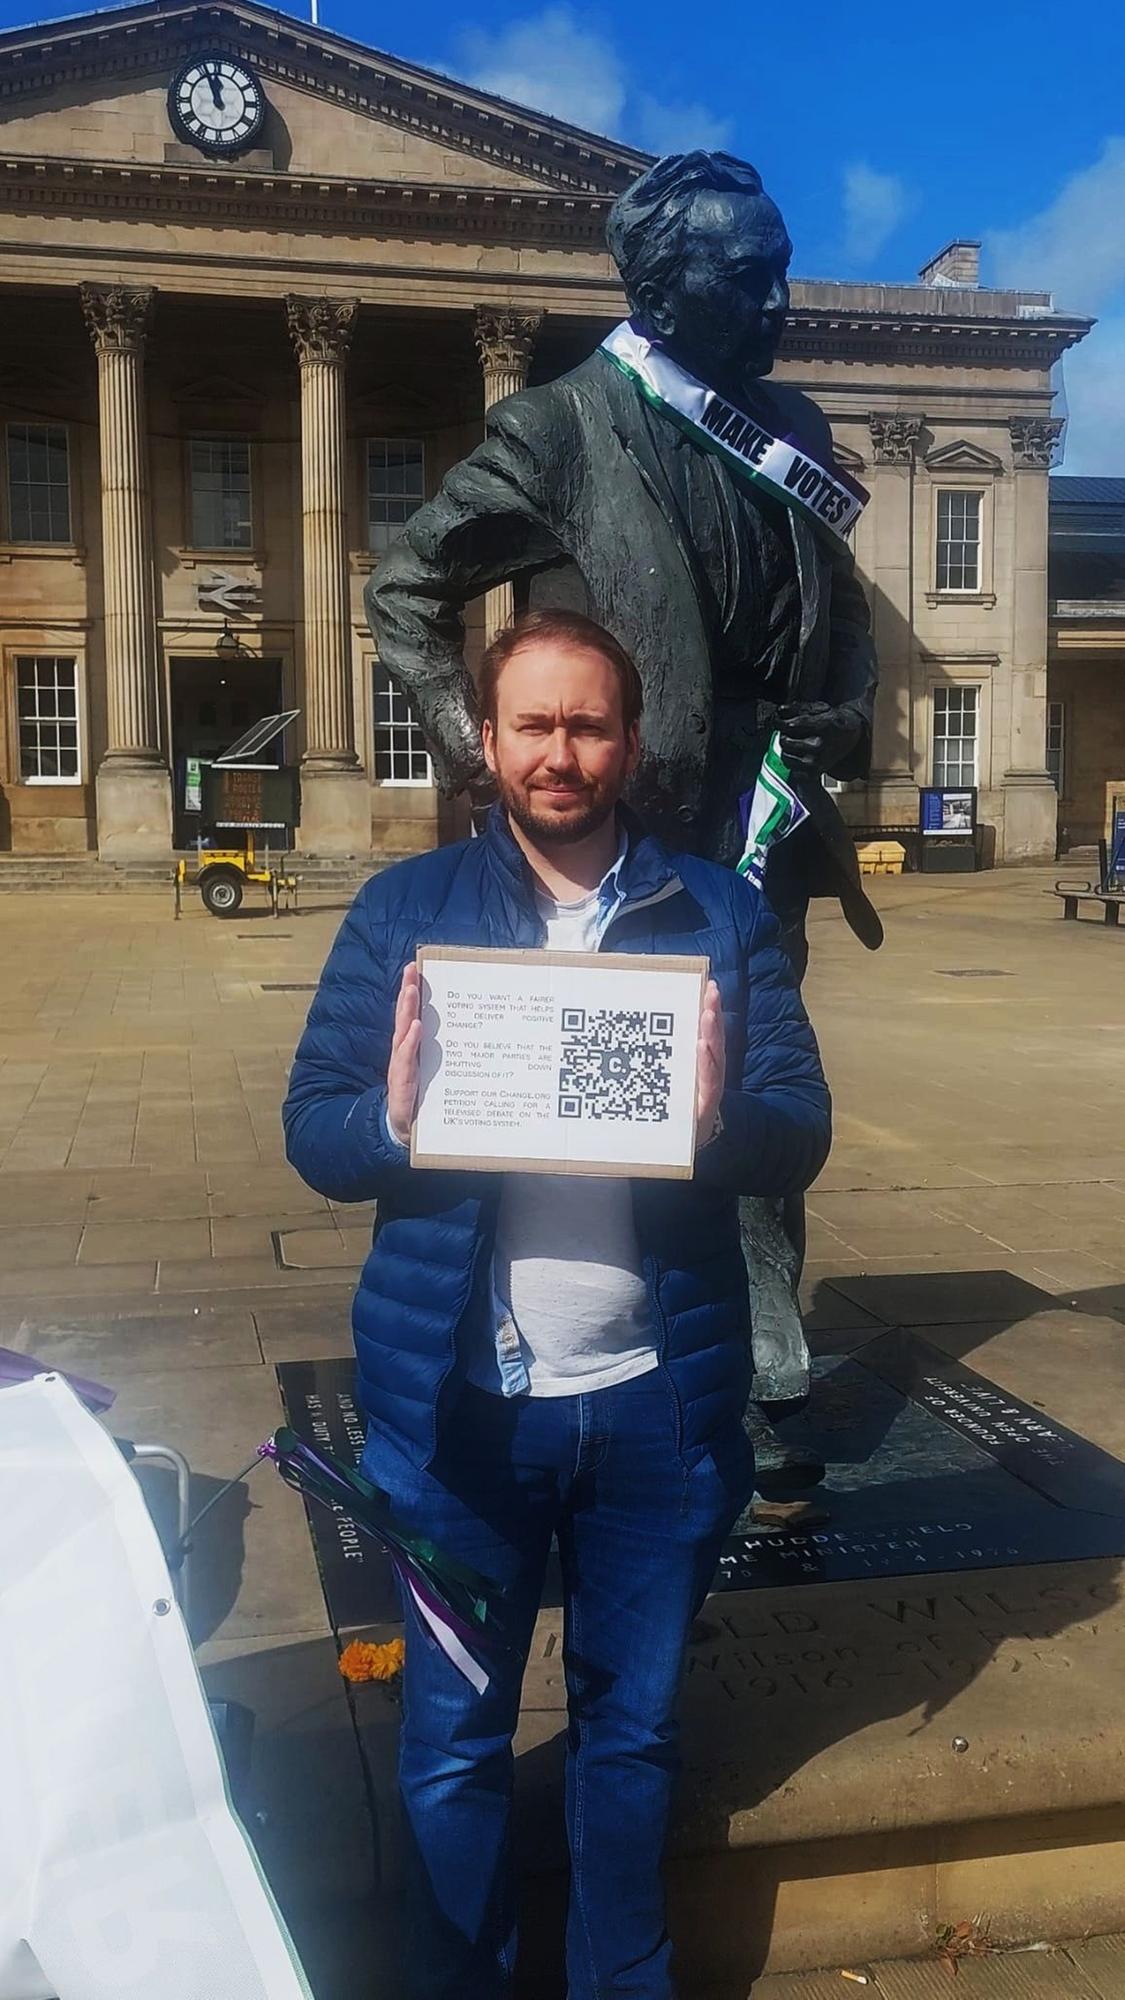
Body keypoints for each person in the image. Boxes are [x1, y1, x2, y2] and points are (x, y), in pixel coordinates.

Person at [283, 610, 831, 2000]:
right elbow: (315, 1133)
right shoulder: (403, 914)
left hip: (657, 1407)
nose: (559, 753)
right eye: (532, 725)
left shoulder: (713, 909)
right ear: (486, 740)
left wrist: (715, 1124)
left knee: (631, 1735)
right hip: (456, 1420)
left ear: (628, 741)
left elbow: (798, 1126)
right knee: (453, 1741)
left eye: (587, 725)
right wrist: (393, 1122)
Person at [365, 148, 880, 1444]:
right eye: (751, 278)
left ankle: (765, 1317)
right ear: (665, 283)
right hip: (634, 820)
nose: (780, 302)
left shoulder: (795, 428)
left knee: (761, 1064)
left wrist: (851, 708)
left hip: (763, 806)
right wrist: (486, 752)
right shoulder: (562, 429)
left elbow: (841, 601)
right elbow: (405, 593)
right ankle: (592, 1317)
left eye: (780, 273)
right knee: (611, 1083)